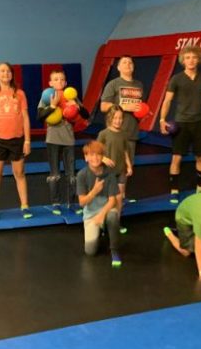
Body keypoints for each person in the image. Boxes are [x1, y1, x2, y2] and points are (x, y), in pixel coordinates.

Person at [159, 44, 201, 203]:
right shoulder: (176, 79)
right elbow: (167, 100)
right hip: (181, 124)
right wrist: (162, 120)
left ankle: (200, 188)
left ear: (198, 59)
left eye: (194, 57)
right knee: (176, 158)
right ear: (183, 60)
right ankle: (174, 190)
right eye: (187, 57)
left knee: (200, 157)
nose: (191, 60)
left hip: (199, 123)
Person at [0, 62, 32, 221]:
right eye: (2, 71)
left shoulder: (20, 94)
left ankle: (24, 205)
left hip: (17, 139)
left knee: (19, 173)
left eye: (9, 71)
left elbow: (25, 118)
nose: (6, 74)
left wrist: (27, 140)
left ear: (12, 75)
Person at [37, 69, 88, 215]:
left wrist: (77, 106)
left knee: (71, 174)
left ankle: (71, 203)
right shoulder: (47, 96)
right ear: (50, 83)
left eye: (61, 79)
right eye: (56, 79)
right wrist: (52, 106)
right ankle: (55, 203)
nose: (59, 81)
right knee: (54, 173)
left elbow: (86, 115)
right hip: (52, 139)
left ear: (65, 83)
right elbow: (39, 117)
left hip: (69, 140)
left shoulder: (71, 95)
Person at [100, 55, 144, 200]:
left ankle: (121, 197)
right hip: (114, 134)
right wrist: (123, 106)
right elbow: (103, 106)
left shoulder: (139, 85)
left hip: (131, 132)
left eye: (130, 62)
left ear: (133, 66)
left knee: (126, 167)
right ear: (118, 67)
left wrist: (143, 112)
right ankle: (108, 197)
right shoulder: (113, 84)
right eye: (124, 62)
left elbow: (139, 108)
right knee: (112, 165)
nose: (128, 64)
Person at [76, 140, 122, 268]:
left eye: (98, 154)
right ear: (86, 157)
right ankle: (101, 230)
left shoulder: (110, 174)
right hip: (91, 214)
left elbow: (113, 200)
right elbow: (81, 202)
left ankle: (114, 250)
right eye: (91, 155)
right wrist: (94, 191)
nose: (95, 158)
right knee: (90, 252)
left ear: (102, 156)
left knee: (113, 217)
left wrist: (101, 215)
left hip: (106, 209)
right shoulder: (82, 175)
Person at [97, 105, 132, 231]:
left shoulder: (123, 134)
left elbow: (125, 151)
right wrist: (103, 158)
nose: (118, 121)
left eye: (120, 118)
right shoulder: (103, 134)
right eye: (115, 118)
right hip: (108, 172)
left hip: (121, 171)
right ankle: (102, 221)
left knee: (119, 197)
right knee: (108, 198)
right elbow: (96, 151)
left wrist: (129, 165)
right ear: (110, 118)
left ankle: (116, 222)